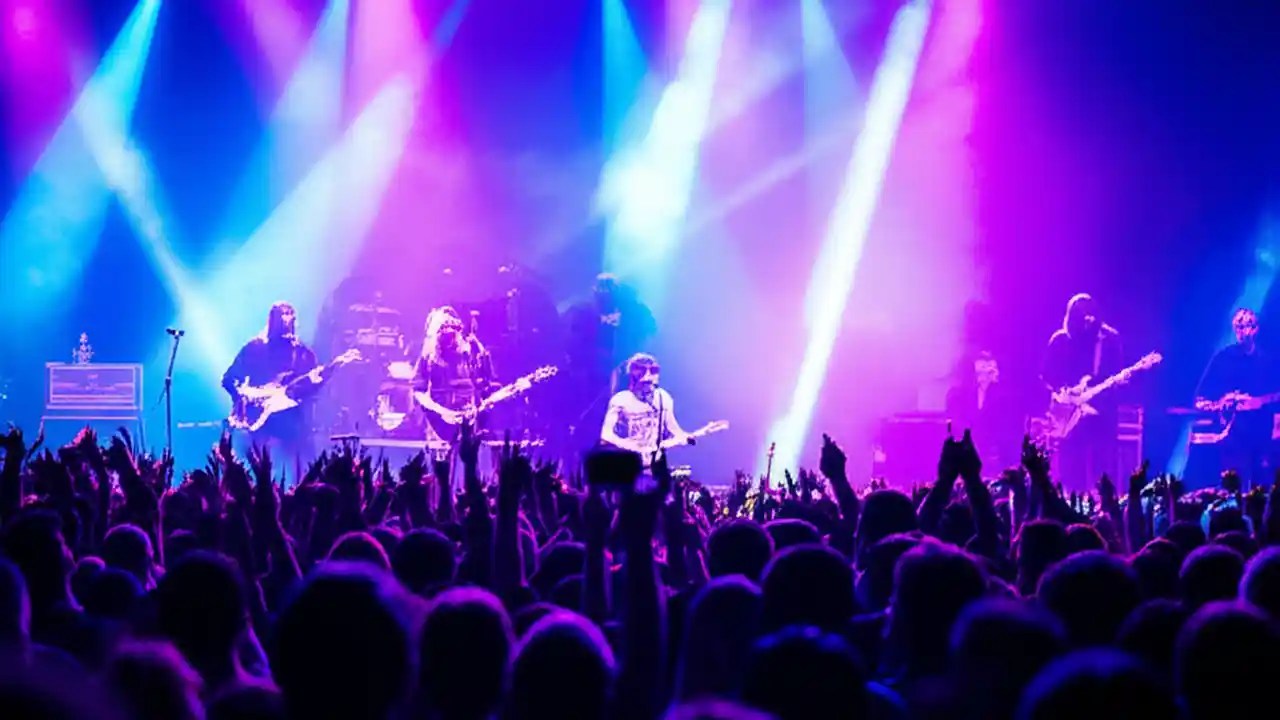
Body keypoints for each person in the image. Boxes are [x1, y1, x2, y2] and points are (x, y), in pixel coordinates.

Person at [222, 302, 324, 482]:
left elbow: (314, 386)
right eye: (280, 315)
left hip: (290, 418)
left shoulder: (303, 353)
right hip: (257, 417)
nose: (284, 319)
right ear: (271, 320)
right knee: (254, 467)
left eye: (288, 314)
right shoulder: (255, 348)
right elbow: (229, 379)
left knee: (300, 466)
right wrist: (241, 398)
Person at [1041, 293, 1125, 491]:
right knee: (1071, 464)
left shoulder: (1109, 340)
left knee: (1103, 465)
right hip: (1069, 414)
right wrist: (1064, 393)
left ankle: (1103, 507)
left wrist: (1097, 392)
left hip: (1101, 411)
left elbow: (1117, 375)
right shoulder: (1061, 340)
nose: (1086, 325)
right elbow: (1046, 374)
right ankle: (1070, 502)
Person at [563, 274, 657, 450]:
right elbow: (571, 342)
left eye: (609, 292)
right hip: (590, 379)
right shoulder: (582, 312)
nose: (604, 296)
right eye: (601, 292)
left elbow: (649, 333)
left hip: (620, 376)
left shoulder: (632, 314)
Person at [1194, 308, 1276, 489]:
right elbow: (1201, 396)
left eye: (1247, 326)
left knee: (1260, 483)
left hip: (1261, 429)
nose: (1242, 331)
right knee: (1232, 482)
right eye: (1238, 327)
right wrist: (1223, 403)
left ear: (1256, 329)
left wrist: (1258, 402)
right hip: (1232, 431)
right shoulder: (1223, 358)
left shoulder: (1267, 361)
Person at [412, 306, 495, 444]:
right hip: (438, 428)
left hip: (469, 426)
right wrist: (441, 412)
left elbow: (486, 385)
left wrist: (478, 410)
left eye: (453, 331)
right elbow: (418, 391)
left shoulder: (472, 351)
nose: (449, 338)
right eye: (443, 332)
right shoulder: (428, 356)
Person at [599, 353, 690, 460]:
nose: (648, 376)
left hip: (654, 462)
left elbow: (673, 428)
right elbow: (606, 434)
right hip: (627, 462)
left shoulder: (663, 397)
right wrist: (630, 446)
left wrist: (684, 437)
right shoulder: (620, 400)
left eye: (653, 371)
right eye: (642, 371)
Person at [946, 351, 1018, 468]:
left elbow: (1005, 426)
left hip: (995, 457)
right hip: (967, 454)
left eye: (992, 369)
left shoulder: (1003, 396)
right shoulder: (958, 394)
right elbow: (958, 423)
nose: (989, 373)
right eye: (982, 370)